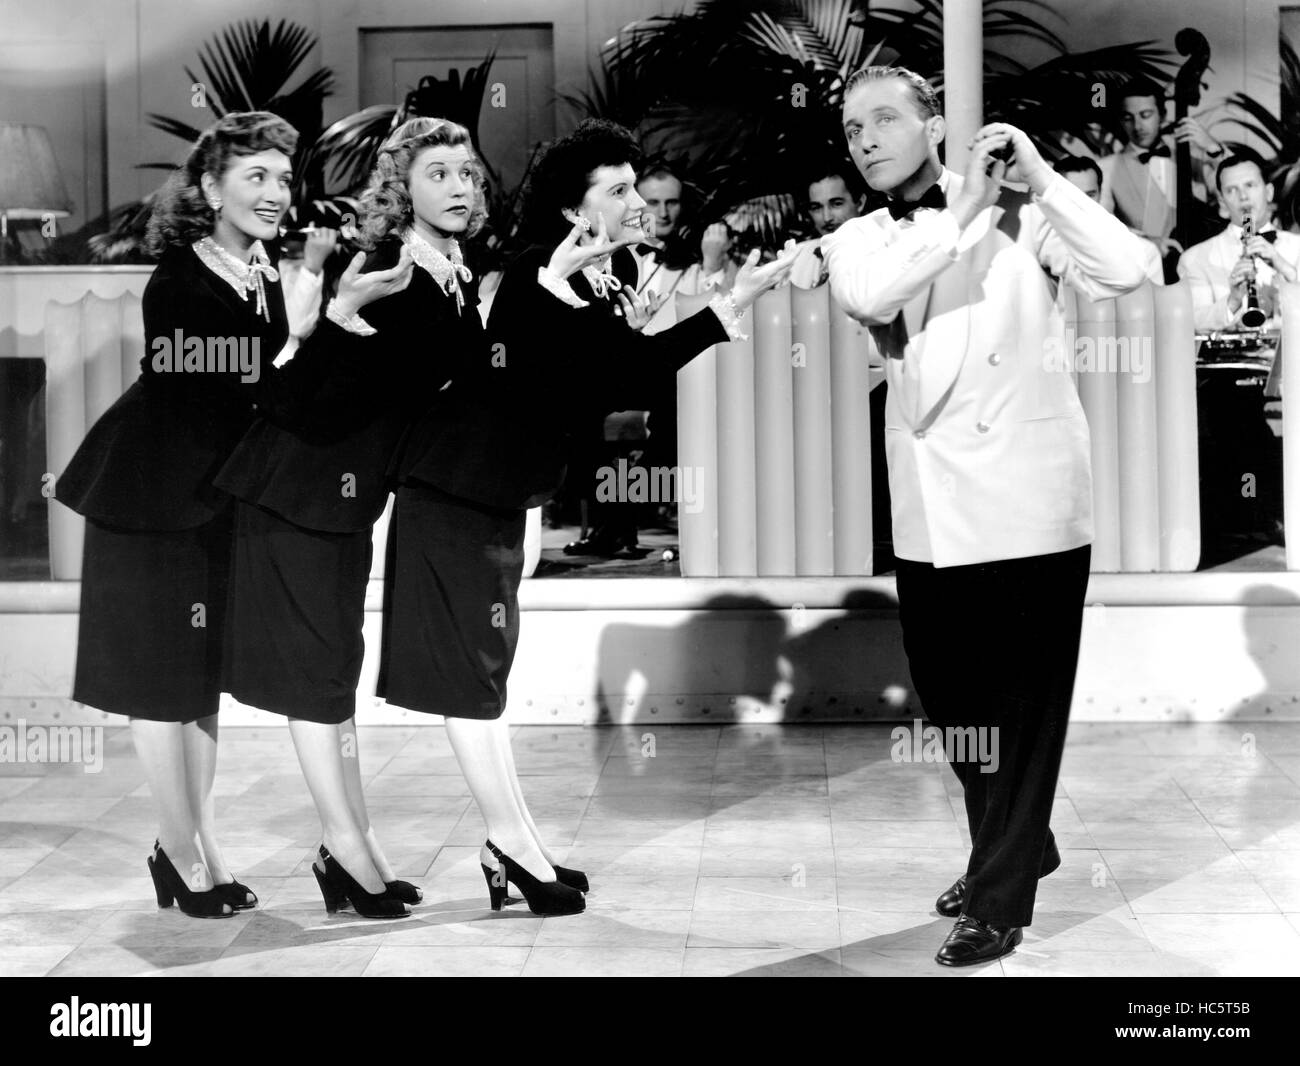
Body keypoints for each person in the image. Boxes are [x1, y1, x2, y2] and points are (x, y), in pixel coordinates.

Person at [379, 118, 796, 915]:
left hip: (500, 492)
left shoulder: (592, 274)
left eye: (635, 187)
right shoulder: (543, 268)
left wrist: (724, 305)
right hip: (456, 492)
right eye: (617, 191)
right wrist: (564, 293)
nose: (636, 202)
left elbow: (620, 375)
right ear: (576, 209)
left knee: (485, 682)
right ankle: (512, 845)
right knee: (471, 685)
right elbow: (525, 371)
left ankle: (517, 842)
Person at [823, 66, 1147, 966]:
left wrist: (1040, 181)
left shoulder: (1025, 211)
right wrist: (967, 214)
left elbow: (1127, 270)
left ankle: (1000, 895)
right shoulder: (858, 236)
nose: (868, 139)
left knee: (1025, 707)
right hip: (931, 508)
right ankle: (1021, 841)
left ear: (934, 124)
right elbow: (868, 298)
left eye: (887, 119)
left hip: (1032, 501)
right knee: (953, 700)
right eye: (854, 130)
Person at [53, 112, 407, 919]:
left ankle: (197, 849)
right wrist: (309, 328)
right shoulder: (177, 278)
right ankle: (180, 853)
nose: (276, 193)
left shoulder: (258, 272)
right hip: (148, 504)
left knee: (198, 685)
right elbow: (237, 384)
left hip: (215, 501)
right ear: (210, 188)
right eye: (255, 177)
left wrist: (310, 317)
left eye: (284, 177)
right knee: (161, 686)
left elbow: (275, 386)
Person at [215, 120, 506, 920]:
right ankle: (346, 852)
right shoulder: (384, 267)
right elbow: (292, 398)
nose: (458, 187)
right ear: (400, 189)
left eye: (467, 174)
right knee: (318, 677)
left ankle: (356, 852)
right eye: (438, 173)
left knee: (333, 670)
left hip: (344, 496)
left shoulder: (453, 268)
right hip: (295, 489)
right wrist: (337, 320)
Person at [1099, 78, 1226, 278]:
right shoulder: (1106, 168)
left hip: (1203, 269)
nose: (1137, 126)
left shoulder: (1194, 156)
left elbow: (1235, 194)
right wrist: (1145, 240)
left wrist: (1213, 148)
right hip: (1145, 272)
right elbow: (1100, 225)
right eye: (1128, 117)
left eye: (1145, 115)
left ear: (1162, 115)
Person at [1178, 153, 1300, 330]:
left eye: (1250, 185)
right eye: (1231, 190)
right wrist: (1232, 301)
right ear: (1222, 202)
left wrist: (1286, 270)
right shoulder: (1194, 259)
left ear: (1269, 192)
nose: (1243, 196)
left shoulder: (1298, 246)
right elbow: (1193, 324)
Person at [1055, 155, 1164, 285]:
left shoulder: (1143, 253)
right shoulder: (1036, 246)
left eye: (1090, 195)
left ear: (1100, 194)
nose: (1082, 203)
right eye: (1073, 194)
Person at [789, 161, 868, 289]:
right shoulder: (796, 256)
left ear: (860, 203)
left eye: (836, 204)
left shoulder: (884, 253)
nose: (827, 218)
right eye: (816, 207)